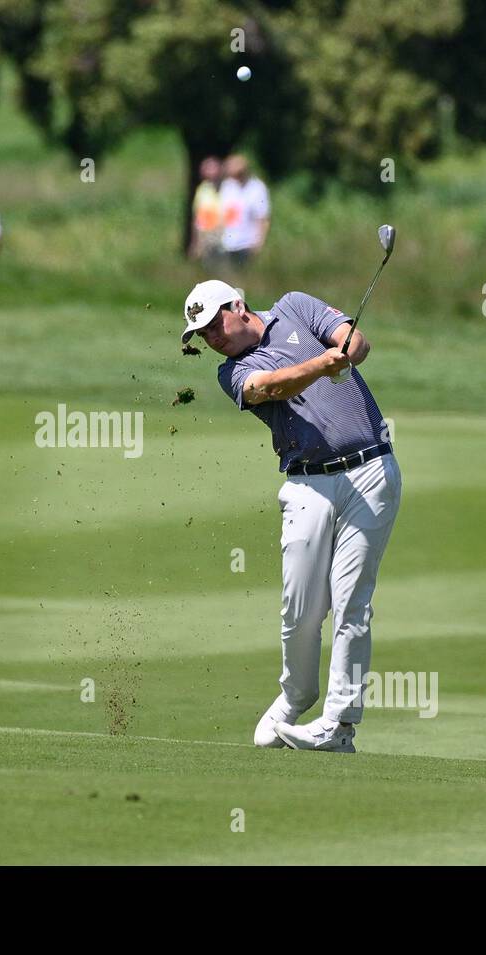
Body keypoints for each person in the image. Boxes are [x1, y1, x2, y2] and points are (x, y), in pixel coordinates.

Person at [179, 279, 401, 753]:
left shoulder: (295, 307)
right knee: (300, 609)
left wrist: (346, 348)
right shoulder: (233, 373)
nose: (211, 338)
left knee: (352, 603)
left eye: (214, 323)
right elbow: (267, 388)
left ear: (237, 305)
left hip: (372, 470)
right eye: (201, 334)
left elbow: (356, 341)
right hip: (306, 481)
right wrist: (323, 363)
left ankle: (339, 726)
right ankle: (295, 696)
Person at [218, 155, 270, 269]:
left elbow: (262, 218)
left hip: (246, 244)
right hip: (227, 242)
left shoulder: (257, 188)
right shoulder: (227, 186)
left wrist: (258, 244)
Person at [188, 156, 224, 267]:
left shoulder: (228, 188)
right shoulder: (202, 189)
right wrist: (195, 242)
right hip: (207, 237)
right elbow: (197, 218)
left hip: (223, 237)